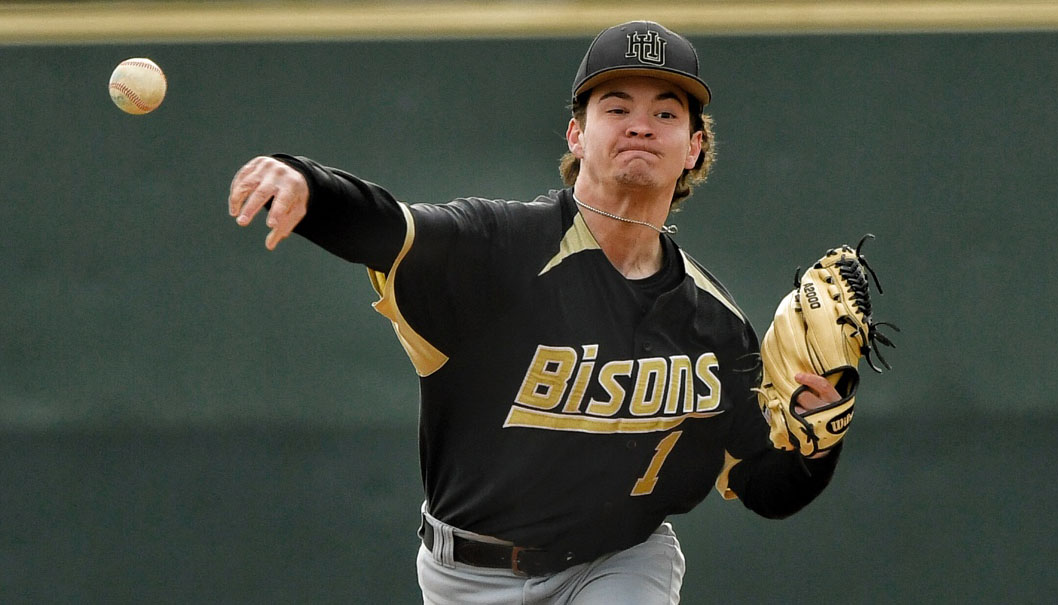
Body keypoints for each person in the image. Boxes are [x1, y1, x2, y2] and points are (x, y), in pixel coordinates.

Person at [228, 21, 843, 605]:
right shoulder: (498, 248)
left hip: (621, 559)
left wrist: (819, 438)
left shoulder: (711, 324)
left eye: (666, 112)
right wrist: (310, 187)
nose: (641, 125)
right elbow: (392, 229)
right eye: (617, 107)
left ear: (693, 148)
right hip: (469, 574)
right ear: (577, 135)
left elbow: (763, 485)